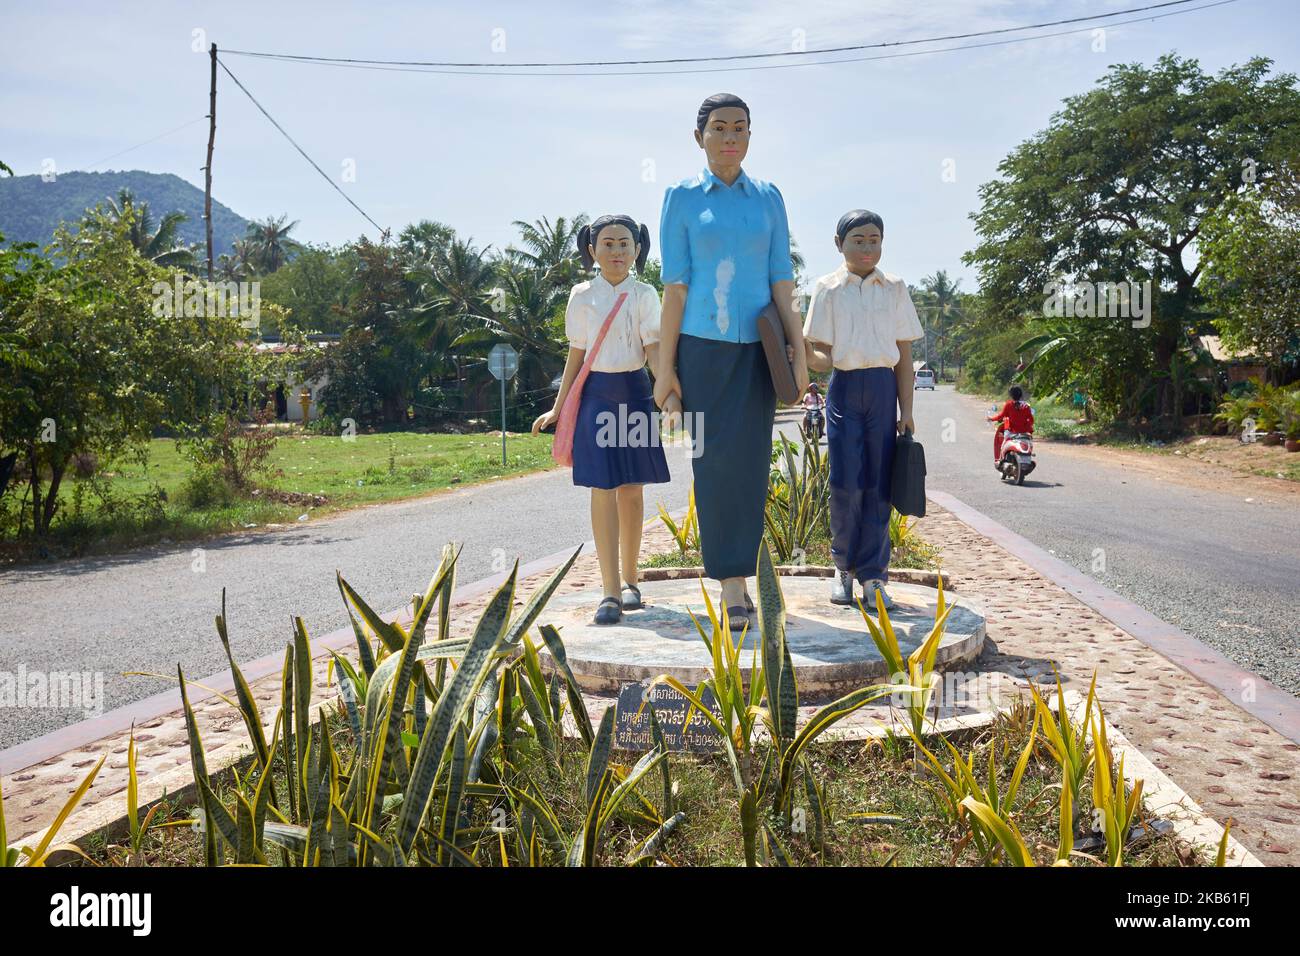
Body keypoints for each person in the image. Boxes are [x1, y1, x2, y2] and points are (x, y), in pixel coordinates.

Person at [654, 92, 810, 632]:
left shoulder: (768, 197)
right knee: (713, 463)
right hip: (701, 346)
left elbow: (781, 282)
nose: (729, 137)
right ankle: (731, 586)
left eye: (740, 128)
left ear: (749, 136)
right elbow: (673, 287)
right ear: (699, 136)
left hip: (759, 351)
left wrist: (800, 351)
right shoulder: (680, 196)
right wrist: (665, 369)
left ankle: (746, 575)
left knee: (751, 463)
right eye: (718, 127)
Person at [532, 215, 670, 625]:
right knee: (601, 488)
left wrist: (669, 392)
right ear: (592, 250)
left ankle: (631, 581)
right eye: (607, 244)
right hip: (595, 397)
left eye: (624, 244)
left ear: (637, 249)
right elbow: (576, 353)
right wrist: (559, 409)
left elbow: (655, 348)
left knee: (631, 489)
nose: (616, 251)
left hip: (636, 395)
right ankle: (608, 590)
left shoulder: (646, 294)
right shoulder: (581, 295)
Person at [803, 209, 923, 610]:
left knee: (878, 486)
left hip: (882, 387)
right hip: (844, 388)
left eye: (874, 239)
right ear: (839, 244)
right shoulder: (828, 289)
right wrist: (802, 355)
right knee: (845, 483)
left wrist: (905, 409)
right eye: (858, 240)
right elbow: (819, 352)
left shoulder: (894, 288)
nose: (867, 247)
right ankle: (843, 570)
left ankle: (874, 576)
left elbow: (905, 355)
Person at [988, 385, 1035, 464]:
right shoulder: (1026, 406)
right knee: (1029, 444)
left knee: (1003, 445)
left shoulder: (1009, 405)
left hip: (1012, 432)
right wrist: (1026, 426)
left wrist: (991, 419)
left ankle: (1001, 460)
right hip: (1024, 433)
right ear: (1021, 395)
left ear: (1011, 395)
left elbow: (1001, 416)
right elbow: (1031, 420)